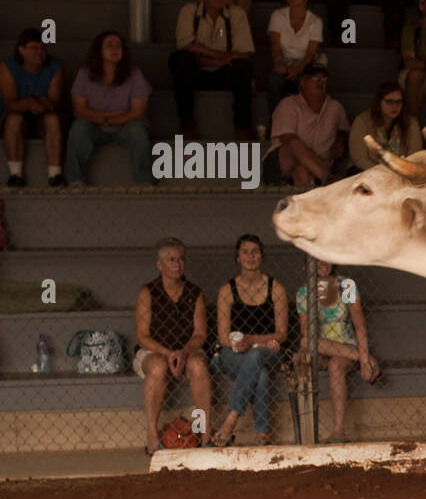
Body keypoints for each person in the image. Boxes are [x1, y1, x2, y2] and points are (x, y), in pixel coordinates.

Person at [133, 237, 214, 453]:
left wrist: (183, 352)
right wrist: (169, 353)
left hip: (187, 350)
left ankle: (204, 432)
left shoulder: (194, 293)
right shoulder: (147, 292)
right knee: (158, 367)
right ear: (159, 265)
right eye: (170, 260)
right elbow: (142, 336)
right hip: (153, 351)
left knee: (197, 365)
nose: (176, 264)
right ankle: (152, 434)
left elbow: (200, 334)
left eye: (180, 259)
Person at [213, 234, 289, 446]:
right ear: (237, 257)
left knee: (257, 356)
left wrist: (254, 341)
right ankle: (261, 436)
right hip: (234, 352)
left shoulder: (276, 288)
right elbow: (223, 336)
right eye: (245, 252)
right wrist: (241, 344)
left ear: (262, 256)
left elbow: (281, 333)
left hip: (267, 351)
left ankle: (230, 421)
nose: (250, 256)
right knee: (260, 373)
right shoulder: (227, 290)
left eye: (255, 251)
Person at [296, 260, 379, 443]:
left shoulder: (346, 285)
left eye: (326, 258)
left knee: (335, 365)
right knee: (305, 341)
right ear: (308, 264)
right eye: (316, 260)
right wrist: (365, 358)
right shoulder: (304, 292)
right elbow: (307, 333)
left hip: (346, 346)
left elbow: (360, 325)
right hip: (320, 349)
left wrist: (362, 355)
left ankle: (338, 431)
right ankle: (364, 358)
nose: (322, 264)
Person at [168, 0, 255, 140]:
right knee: (179, 60)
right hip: (196, 71)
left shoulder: (236, 14)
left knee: (243, 67)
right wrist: (221, 57)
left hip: (225, 72)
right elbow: (187, 46)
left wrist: (216, 59)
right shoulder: (188, 12)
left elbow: (244, 52)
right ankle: (187, 122)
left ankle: (242, 125)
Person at [67, 31, 152, 186]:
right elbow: (79, 110)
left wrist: (104, 118)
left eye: (118, 45)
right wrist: (110, 117)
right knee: (79, 127)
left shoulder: (134, 75)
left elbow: (138, 113)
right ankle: (75, 180)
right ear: (98, 50)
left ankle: (143, 181)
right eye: (109, 45)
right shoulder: (85, 74)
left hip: (125, 128)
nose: (115, 49)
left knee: (138, 129)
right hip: (95, 127)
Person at [266, 61, 349, 187]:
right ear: (302, 82)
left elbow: (344, 131)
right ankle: (328, 179)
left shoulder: (336, 108)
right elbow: (287, 139)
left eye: (323, 79)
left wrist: (340, 140)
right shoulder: (288, 104)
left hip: (313, 168)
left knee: (302, 172)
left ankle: (320, 181)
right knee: (293, 143)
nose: (320, 82)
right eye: (314, 78)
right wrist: (318, 165)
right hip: (282, 165)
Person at [2, 28, 64, 186]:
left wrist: (43, 103)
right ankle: (15, 174)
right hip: (15, 116)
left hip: (42, 118)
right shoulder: (8, 66)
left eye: (42, 48)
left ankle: (55, 174)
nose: (39, 52)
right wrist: (29, 103)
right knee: (14, 119)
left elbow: (54, 103)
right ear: (21, 50)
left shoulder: (54, 67)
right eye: (33, 48)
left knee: (53, 119)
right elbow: (10, 103)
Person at [267, 0, 323, 113]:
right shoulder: (278, 15)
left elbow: (310, 53)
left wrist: (298, 68)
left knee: (304, 83)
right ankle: (276, 120)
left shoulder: (315, 21)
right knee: (274, 81)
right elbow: (275, 45)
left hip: (303, 64)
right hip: (283, 61)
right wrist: (278, 62)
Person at [349, 80, 422, 171]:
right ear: (379, 103)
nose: (395, 106)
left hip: (402, 173)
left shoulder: (411, 123)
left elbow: (415, 157)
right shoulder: (362, 121)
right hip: (368, 172)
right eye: (389, 101)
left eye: (399, 101)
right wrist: (384, 172)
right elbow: (360, 159)